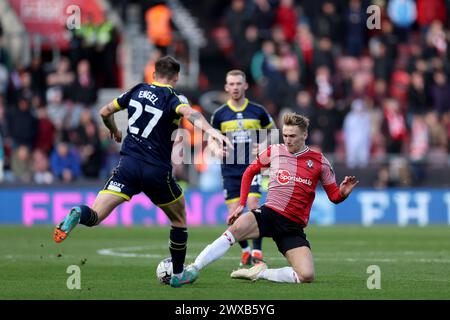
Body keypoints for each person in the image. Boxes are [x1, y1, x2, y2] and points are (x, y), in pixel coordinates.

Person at [53, 56, 231, 288]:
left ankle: (78, 211)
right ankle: (178, 274)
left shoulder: (136, 90)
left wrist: (115, 131)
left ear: (154, 74)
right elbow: (191, 114)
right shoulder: (173, 97)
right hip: (156, 170)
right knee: (178, 220)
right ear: (176, 77)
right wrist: (212, 132)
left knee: (95, 216)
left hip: (127, 165)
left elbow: (104, 111)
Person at [186, 112, 358, 284]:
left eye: (292, 136)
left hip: (292, 225)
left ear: (305, 135)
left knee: (306, 276)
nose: (288, 140)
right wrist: (241, 204)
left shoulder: (320, 162)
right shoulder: (274, 151)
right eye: (285, 135)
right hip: (269, 214)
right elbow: (249, 172)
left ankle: (260, 273)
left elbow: (334, 197)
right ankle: (193, 268)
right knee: (235, 230)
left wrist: (342, 193)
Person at [210, 69, 275, 266]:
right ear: (226, 87)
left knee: (254, 206)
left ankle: (258, 251)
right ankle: (246, 251)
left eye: (239, 83)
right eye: (232, 84)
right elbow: (211, 138)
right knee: (233, 213)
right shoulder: (220, 114)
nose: (235, 87)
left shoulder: (258, 111)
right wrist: (214, 149)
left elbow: (272, 133)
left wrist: (264, 144)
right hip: (230, 170)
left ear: (245, 85)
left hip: (252, 167)